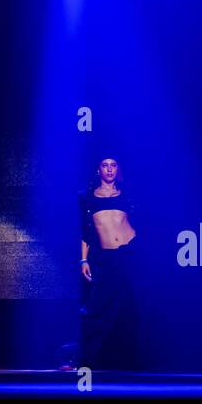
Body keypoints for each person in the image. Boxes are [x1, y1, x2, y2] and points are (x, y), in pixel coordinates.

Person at [78, 156, 142, 369]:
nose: (109, 169)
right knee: (97, 306)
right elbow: (85, 232)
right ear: (99, 169)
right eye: (105, 165)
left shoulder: (127, 195)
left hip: (130, 254)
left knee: (132, 303)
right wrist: (83, 259)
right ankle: (85, 359)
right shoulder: (87, 197)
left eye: (114, 165)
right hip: (105, 258)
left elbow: (140, 222)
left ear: (118, 169)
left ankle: (138, 360)